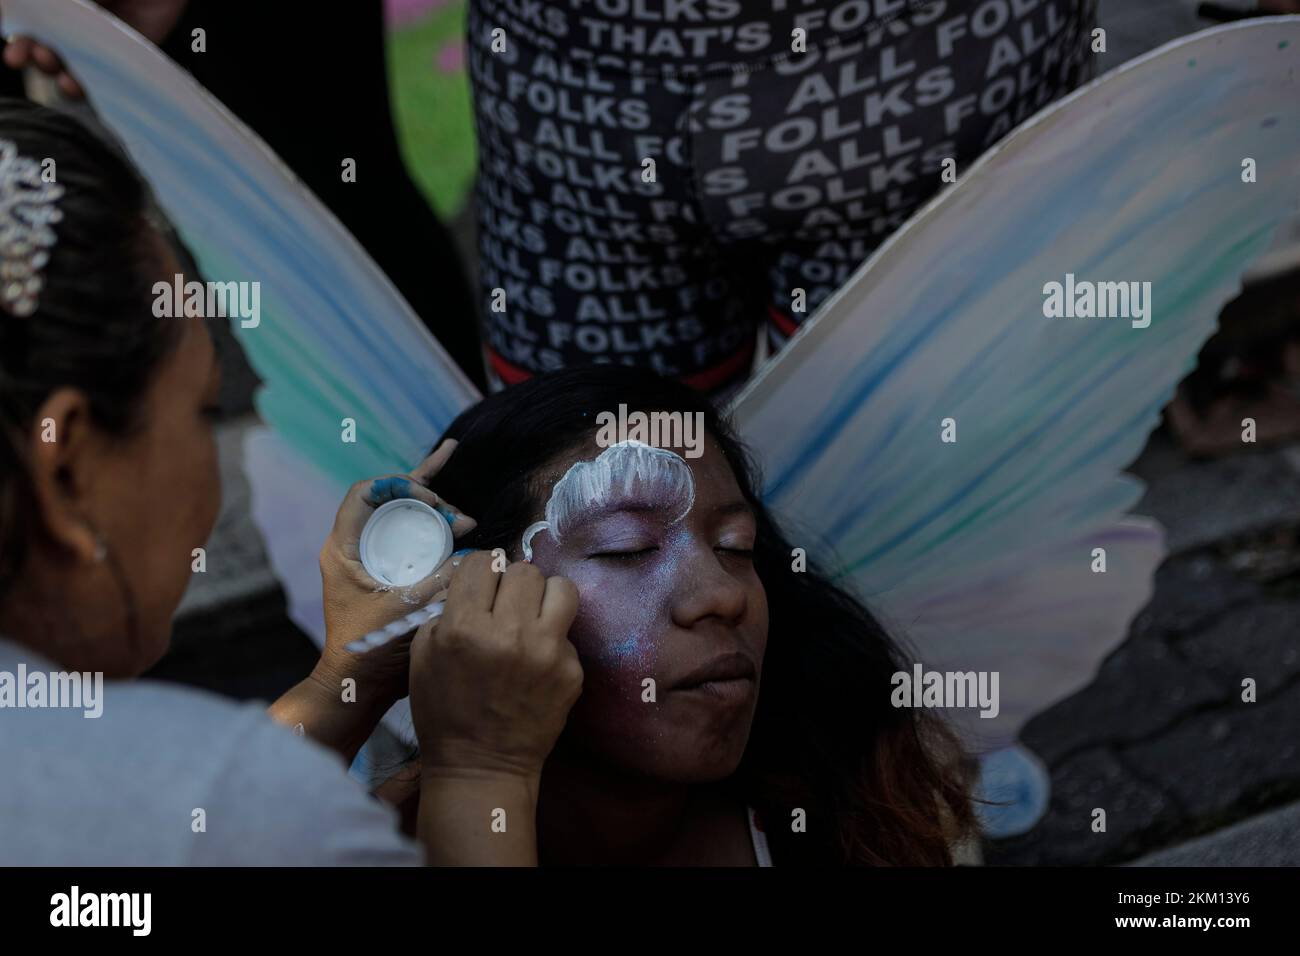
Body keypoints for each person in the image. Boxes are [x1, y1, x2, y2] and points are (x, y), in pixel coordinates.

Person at [0, 98, 582, 865]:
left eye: (736, 543)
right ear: (66, 463)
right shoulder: (237, 811)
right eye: (205, 414)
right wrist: (481, 774)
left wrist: (346, 676)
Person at [414, 363, 978, 864]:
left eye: (736, 546)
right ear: (470, 599)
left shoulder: (866, 817)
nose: (724, 595)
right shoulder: (367, 839)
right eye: (626, 547)